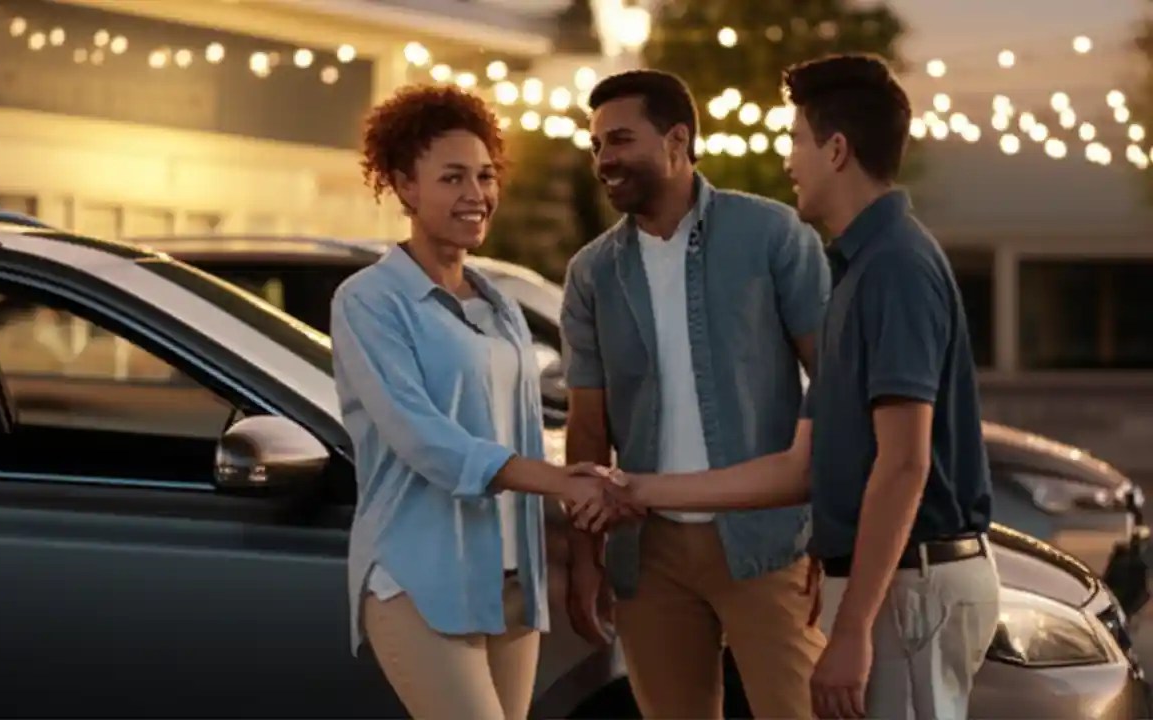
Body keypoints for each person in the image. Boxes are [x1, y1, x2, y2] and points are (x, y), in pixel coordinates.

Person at [607, 54, 1001, 720]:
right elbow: (798, 469)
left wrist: (849, 632)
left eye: (796, 140)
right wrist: (637, 488)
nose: (789, 159)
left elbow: (905, 463)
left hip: (911, 584)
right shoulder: (851, 270)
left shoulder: (897, 267)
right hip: (882, 581)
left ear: (837, 150)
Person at [329, 84, 612, 720]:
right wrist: (560, 482)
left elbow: (523, 430)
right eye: (452, 177)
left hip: (509, 579)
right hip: (418, 577)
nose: (476, 195)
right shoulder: (370, 301)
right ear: (405, 186)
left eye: (485, 176)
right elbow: (423, 438)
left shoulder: (499, 302)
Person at [559, 69, 831, 719]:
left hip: (768, 541)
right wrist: (585, 559)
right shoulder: (591, 272)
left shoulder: (772, 236)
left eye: (620, 140)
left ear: (677, 140)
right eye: (596, 146)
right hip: (647, 553)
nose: (604, 160)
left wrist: (834, 526)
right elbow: (588, 427)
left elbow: (837, 385)